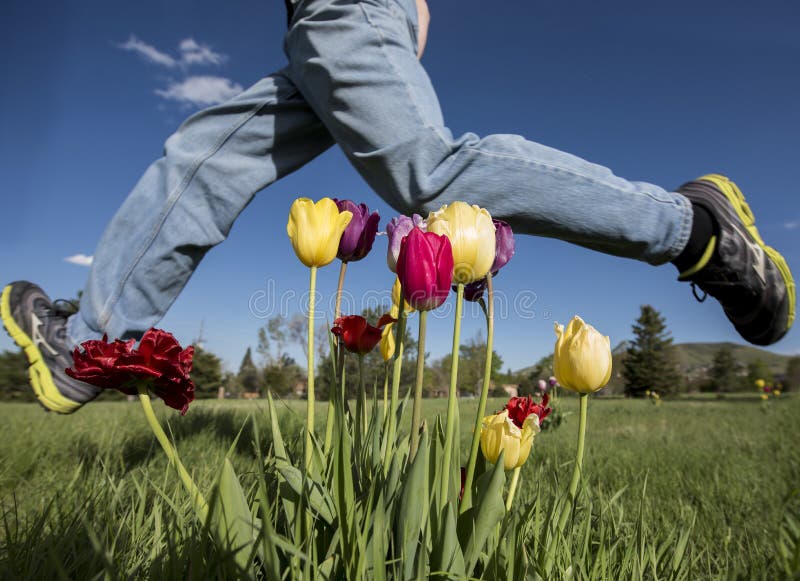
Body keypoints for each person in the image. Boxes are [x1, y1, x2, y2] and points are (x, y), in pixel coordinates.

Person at [1, 0, 794, 413]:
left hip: (345, 12)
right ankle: (98, 343)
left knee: (428, 176)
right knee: (209, 155)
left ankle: (695, 230)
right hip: (329, 23)